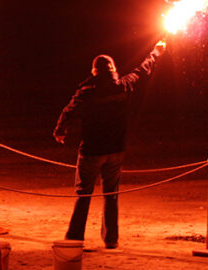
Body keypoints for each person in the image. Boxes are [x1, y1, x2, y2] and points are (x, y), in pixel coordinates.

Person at [53, 40, 167, 249]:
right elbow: (142, 71)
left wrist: (60, 130)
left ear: (94, 71)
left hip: (91, 152)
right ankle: (111, 239)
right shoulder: (123, 85)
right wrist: (156, 52)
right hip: (115, 151)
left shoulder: (86, 91)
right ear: (113, 70)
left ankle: (75, 238)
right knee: (111, 195)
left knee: (83, 194)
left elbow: (69, 110)